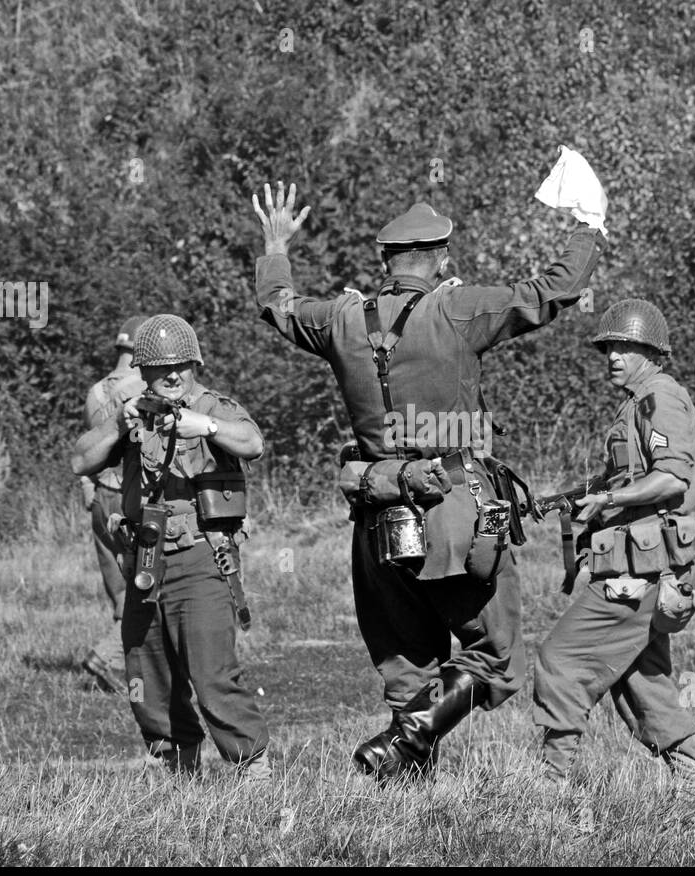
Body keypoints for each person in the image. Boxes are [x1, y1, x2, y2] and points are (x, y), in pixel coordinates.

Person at [251, 180, 605, 782]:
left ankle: (404, 789)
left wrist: (276, 243)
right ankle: (409, 739)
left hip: (377, 517)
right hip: (453, 513)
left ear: (384, 261)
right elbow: (553, 291)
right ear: (441, 257)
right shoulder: (455, 309)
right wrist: (587, 229)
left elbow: (278, 305)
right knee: (496, 656)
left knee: (406, 662)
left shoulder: (341, 318)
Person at [70, 313, 271, 779]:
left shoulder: (212, 407)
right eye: (161, 369)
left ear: (195, 364)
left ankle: (253, 772)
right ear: (144, 372)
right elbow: (80, 459)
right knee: (147, 672)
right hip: (144, 557)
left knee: (211, 673)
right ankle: (173, 766)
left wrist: (204, 427)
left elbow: (253, 442)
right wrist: (120, 426)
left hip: (202, 555)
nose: (173, 375)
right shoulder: (134, 412)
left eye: (182, 365)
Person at [532, 298, 695, 800]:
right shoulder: (636, 402)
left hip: (637, 571)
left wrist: (608, 497)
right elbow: (631, 475)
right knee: (641, 676)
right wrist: (569, 498)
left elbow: (672, 478)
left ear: (652, 352)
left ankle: (551, 786)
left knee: (560, 659)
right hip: (641, 567)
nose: (613, 355)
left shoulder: (660, 398)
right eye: (609, 346)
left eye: (626, 346)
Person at [77, 314, 149, 695]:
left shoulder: (95, 392)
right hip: (128, 495)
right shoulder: (142, 387)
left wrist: (87, 488)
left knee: (120, 590)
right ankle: (108, 657)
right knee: (148, 582)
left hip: (100, 496)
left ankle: (122, 663)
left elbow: (91, 448)